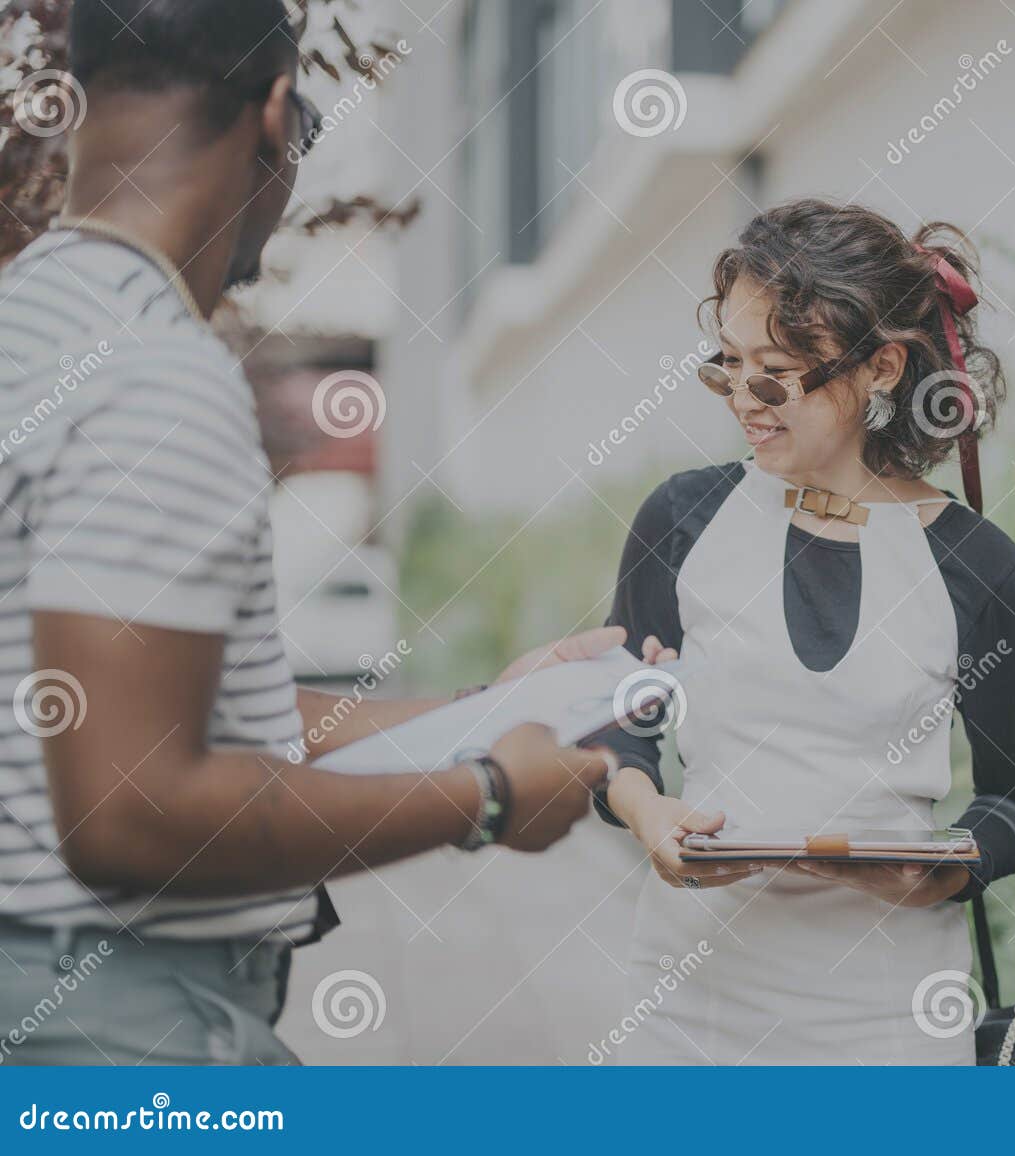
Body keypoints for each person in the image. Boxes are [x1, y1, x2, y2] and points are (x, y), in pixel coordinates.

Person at [0, 0, 620, 1066]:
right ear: (276, 114)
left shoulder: (29, 321)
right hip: (119, 1028)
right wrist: (489, 796)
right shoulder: (157, 379)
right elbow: (132, 808)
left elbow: (159, 706)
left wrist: (491, 713)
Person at [593, 200, 1015, 1064]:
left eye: (776, 373)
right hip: (685, 1007)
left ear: (881, 367)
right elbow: (620, 722)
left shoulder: (980, 566)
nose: (743, 399)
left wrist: (937, 873)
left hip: (890, 1021)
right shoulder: (682, 518)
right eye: (727, 366)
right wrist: (645, 809)